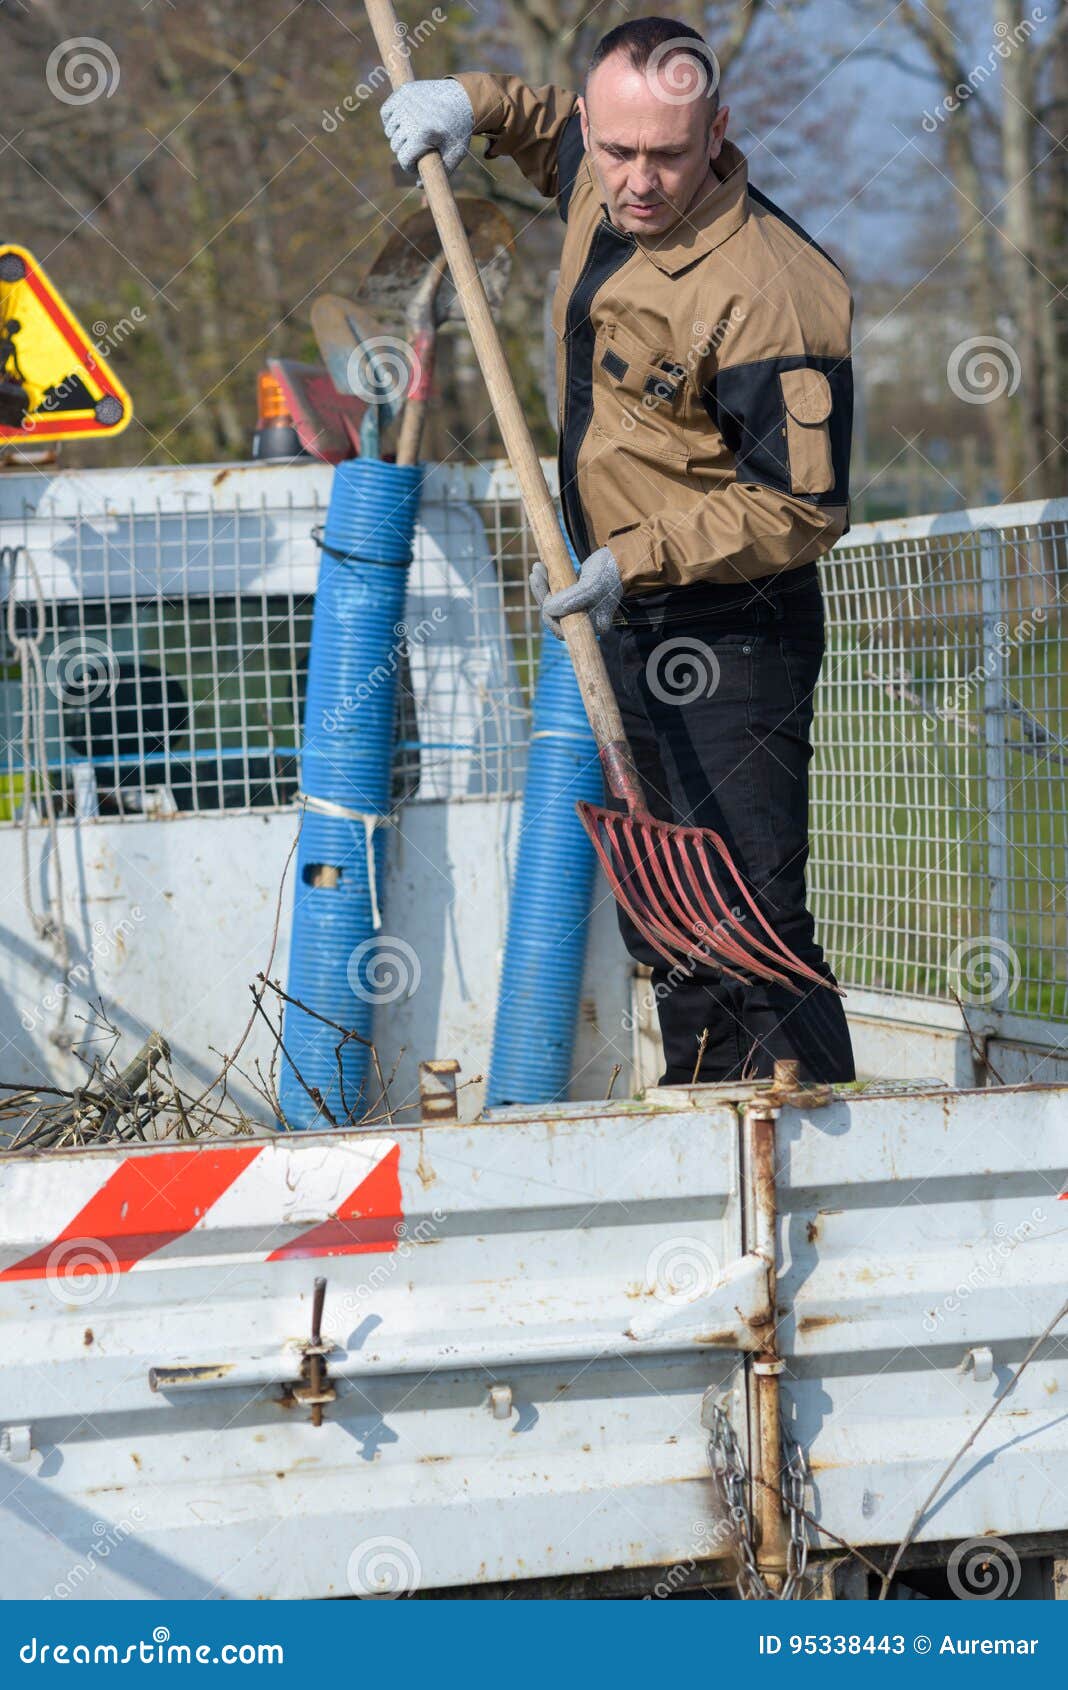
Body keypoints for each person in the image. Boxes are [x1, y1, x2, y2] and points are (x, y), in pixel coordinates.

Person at [381, 16, 856, 1086]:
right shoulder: (599, 176)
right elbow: (540, 123)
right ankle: (707, 1142)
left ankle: (829, 1169)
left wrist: (629, 560)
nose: (639, 183)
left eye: (670, 156)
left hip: (734, 628)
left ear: (719, 133)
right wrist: (468, 102)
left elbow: (803, 505)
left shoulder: (773, 288)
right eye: (619, 151)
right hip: (623, 616)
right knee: (675, 925)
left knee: (750, 923)